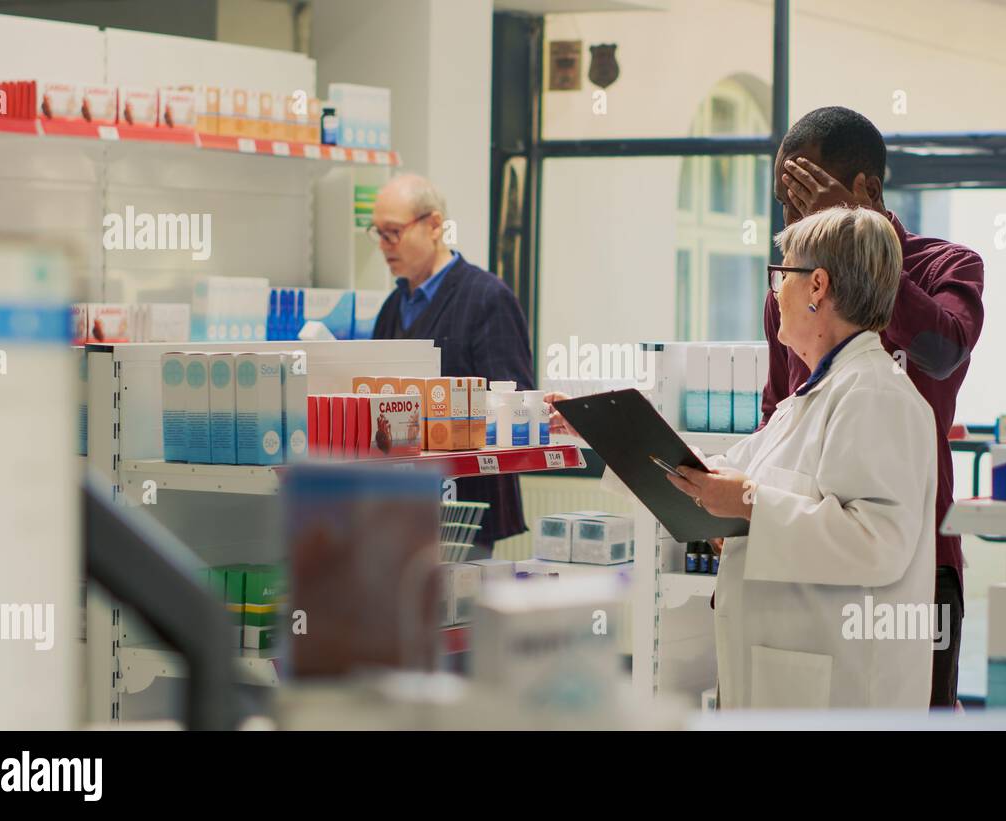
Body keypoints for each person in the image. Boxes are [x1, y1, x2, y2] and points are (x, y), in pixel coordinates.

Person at [555, 207, 937, 708]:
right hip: (787, 678)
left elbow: (877, 542)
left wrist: (749, 502)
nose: (776, 291)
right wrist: (601, 429)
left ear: (817, 286)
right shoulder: (811, 397)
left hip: (839, 690)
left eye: (782, 275)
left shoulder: (874, 395)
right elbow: (708, 479)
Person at [767, 107, 984, 708]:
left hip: (920, 557)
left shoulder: (947, 266)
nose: (796, 228)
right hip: (809, 548)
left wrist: (862, 245)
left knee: (919, 712)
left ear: (869, 191)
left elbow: (942, 350)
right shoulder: (791, 292)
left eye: (810, 205)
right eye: (787, 210)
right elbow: (777, 412)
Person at [369, 174, 535, 558]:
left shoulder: (487, 298)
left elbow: (517, 400)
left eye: (393, 232)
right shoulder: (393, 307)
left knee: (456, 614)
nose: (383, 246)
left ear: (433, 225)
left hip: (466, 507)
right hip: (399, 504)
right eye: (377, 233)